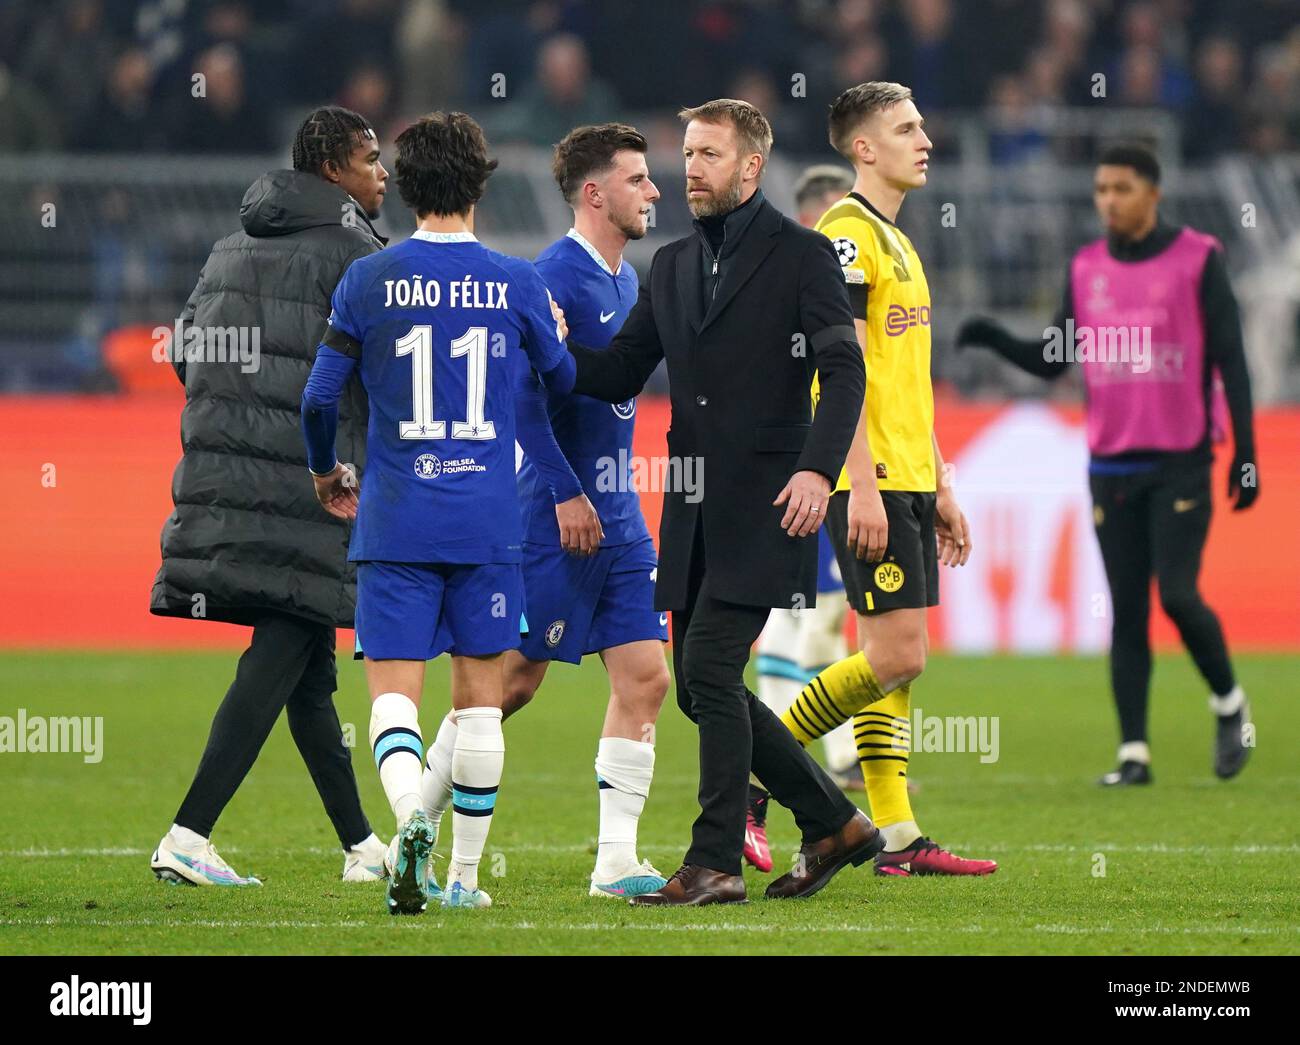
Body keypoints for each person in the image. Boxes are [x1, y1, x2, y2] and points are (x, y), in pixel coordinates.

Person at [557, 98, 880, 906]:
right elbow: (616, 371)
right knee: (706, 691)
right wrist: (549, 342)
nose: (690, 169)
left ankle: (715, 860)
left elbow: (845, 373)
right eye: (689, 153)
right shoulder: (668, 266)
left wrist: (817, 471)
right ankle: (832, 819)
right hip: (693, 512)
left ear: (752, 166)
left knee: (703, 667)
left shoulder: (806, 257)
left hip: (772, 504)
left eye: (709, 155)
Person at [301, 111, 575, 914]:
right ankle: (460, 878)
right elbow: (559, 381)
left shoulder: (368, 280)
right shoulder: (516, 281)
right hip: (487, 520)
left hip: (396, 515)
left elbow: (319, 398)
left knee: (392, 699)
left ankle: (401, 826)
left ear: (407, 186)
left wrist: (325, 472)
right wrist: (549, 337)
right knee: (480, 701)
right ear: (481, 181)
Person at [418, 123, 671, 900]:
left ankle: (614, 861)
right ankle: (412, 830)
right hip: (554, 513)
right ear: (595, 193)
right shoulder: (549, 278)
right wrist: (564, 491)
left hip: (622, 515)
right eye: (638, 180)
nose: (654, 192)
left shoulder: (632, 282)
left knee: (647, 677)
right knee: (512, 683)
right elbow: (523, 400)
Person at [957, 142, 1257, 786]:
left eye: (1121, 188)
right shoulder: (1086, 265)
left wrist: (1248, 456)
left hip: (1181, 459)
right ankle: (1133, 754)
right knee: (1124, 609)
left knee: (1176, 595)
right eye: (1100, 190)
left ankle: (1231, 704)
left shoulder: (1198, 259)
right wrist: (991, 336)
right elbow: (1053, 359)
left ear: (1154, 193)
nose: (1108, 202)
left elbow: (1231, 360)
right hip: (1111, 464)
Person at [149, 106, 389, 888]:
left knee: (306, 664)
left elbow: (186, 354)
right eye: (369, 158)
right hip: (313, 484)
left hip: (230, 475)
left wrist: (243, 417)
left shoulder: (228, 246)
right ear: (331, 170)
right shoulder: (354, 254)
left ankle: (361, 846)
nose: (382, 172)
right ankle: (188, 832)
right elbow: (380, 376)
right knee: (285, 644)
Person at [776, 82, 997, 877]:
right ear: (862, 148)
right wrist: (860, 481)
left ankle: (897, 834)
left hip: (906, 471)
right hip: (865, 476)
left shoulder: (899, 240)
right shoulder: (843, 236)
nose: (925, 138)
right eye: (907, 128)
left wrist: (939, 480)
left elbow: (903, 377)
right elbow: (840, 373)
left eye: (923, 123)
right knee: (899, 654)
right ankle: (753, 769)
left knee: (891, 658)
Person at [744, 164, 862, 876]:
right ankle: (790, 768)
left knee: (824, 624)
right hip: (806, 473)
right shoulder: (798, 279)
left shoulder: (834, 281)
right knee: (798, 621)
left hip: (842, 475)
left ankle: (837, 760)